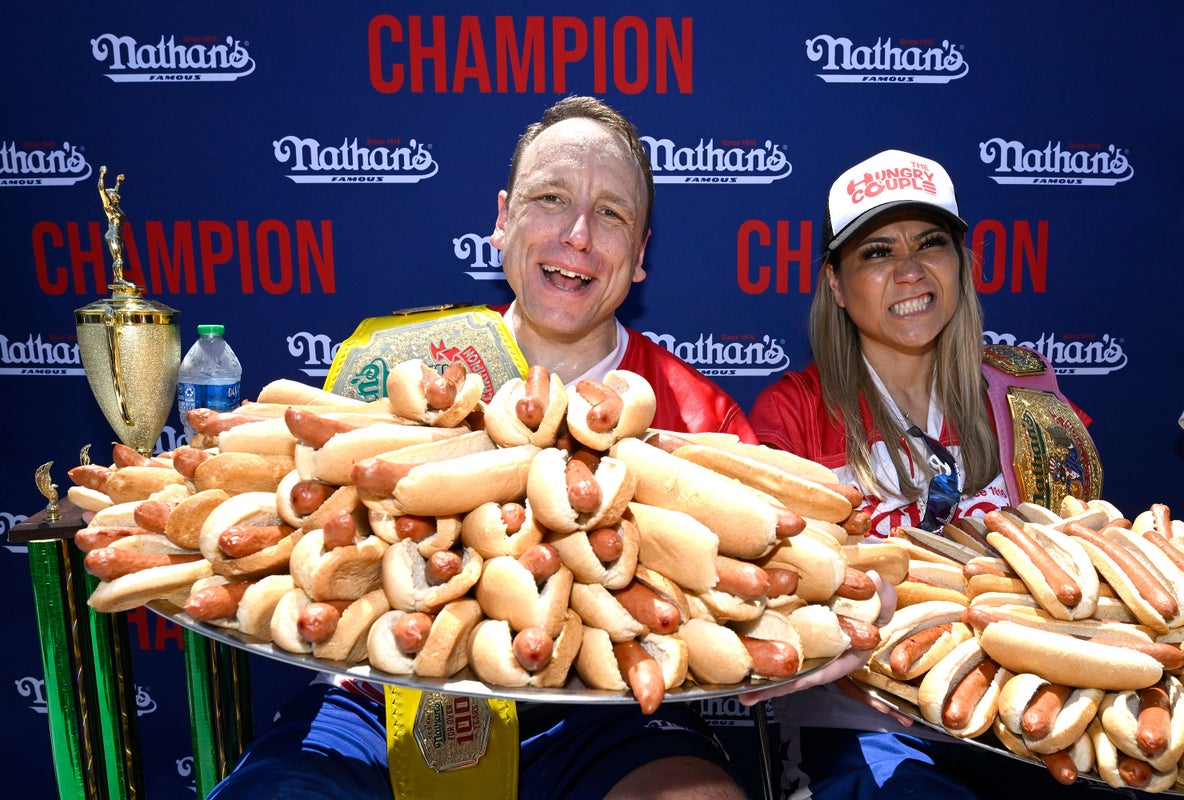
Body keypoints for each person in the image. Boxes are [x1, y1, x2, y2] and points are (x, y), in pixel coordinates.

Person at [208, 96, 887, 800]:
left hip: (616, 711)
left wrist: (855, 611)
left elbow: (798, 564)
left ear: (640, 255)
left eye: (611, 213)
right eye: (550, 198)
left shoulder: (699, 418)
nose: (578, 234)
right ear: (503, 221)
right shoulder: (401, 367)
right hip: (379, 695)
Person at [747, 150, 1103, 799]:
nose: (909, 270)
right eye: (877, 252)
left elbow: (1081, 573)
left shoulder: (1026, 395)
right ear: (836, 283)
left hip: (1022, 714)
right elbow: (779, 595)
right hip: (861, 722)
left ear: (960, 262)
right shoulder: (793, 411)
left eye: (930, 243)